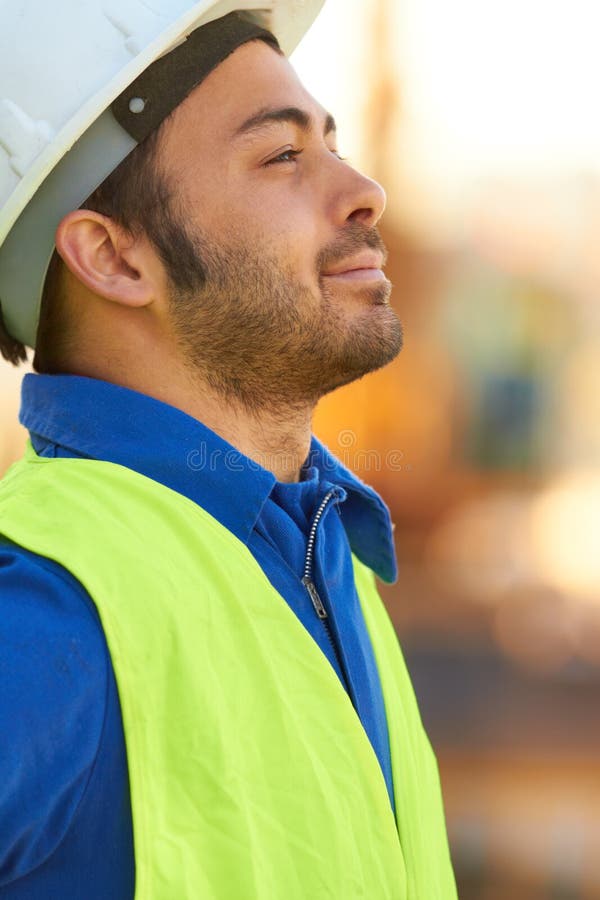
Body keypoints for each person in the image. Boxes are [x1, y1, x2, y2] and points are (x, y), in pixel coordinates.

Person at [0, 2, 457, 897]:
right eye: (283, 155)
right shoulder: (43, 610)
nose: (364, 189)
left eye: (332, 142)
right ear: (114, 258)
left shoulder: (321, 553)